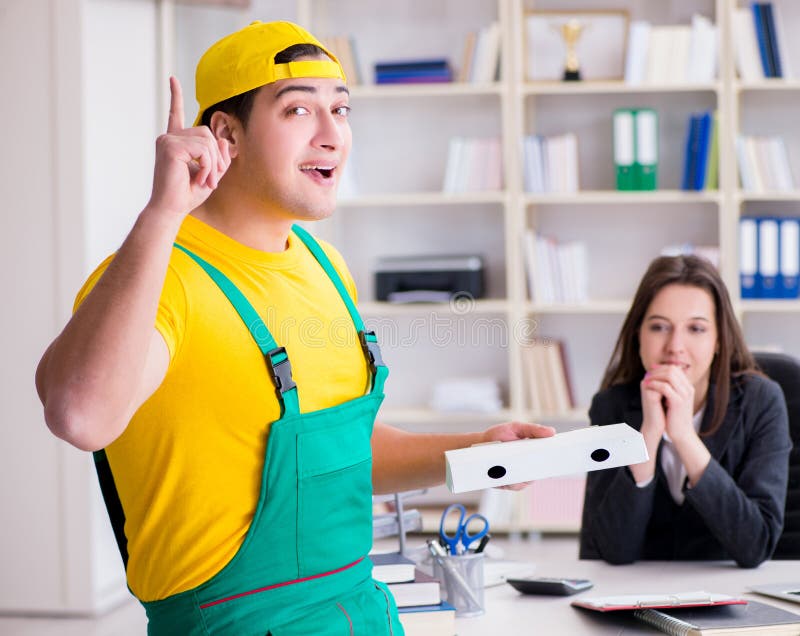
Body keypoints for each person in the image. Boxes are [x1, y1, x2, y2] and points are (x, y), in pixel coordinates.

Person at [34, 20, 554, 635]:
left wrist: (475, 450)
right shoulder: (160, 277)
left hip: (359, 612)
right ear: (226, 133)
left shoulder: (323, 265)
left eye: (341, 109)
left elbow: (339, 450)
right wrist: (163, 212)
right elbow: (79, 416)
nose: (332, 135)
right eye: (299, 110)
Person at [579, 254, 791, 568]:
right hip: (640, 600)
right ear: (639, 335)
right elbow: (611, 550)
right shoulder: (611, 406)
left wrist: (683, 437)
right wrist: (648, 437)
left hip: (730, 601)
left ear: (720, 339)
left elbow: (755, 546)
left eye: (696, 328)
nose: (675, 346)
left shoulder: (761, 401)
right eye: (659, 327)